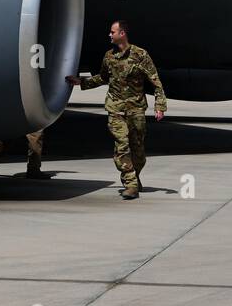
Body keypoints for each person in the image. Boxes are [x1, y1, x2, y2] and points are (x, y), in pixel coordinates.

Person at [66, 20, 166, 199]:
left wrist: (160, 106)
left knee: (138, 151)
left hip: (136, 109)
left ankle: (135, 175)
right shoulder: (108, 57)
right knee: (122, 147)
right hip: (115, 108)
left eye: (113, 32)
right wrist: (81, 82)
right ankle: (130, 183)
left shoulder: (140, 55)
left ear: (122, 34)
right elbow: (103, 77)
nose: (109, 35)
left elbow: (155, 81)